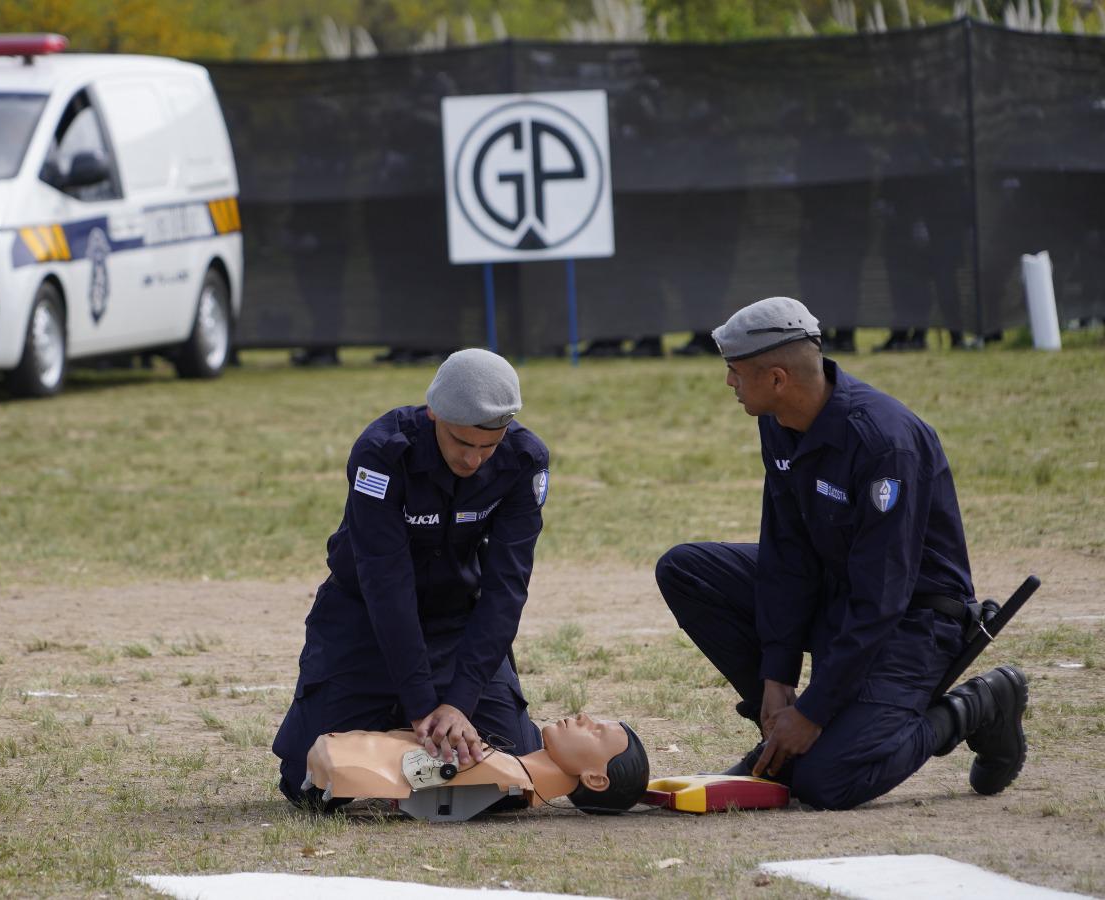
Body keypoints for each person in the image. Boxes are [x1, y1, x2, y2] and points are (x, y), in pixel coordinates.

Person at [654, 296, 1028, 811]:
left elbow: (882, 597)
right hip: (842, 594)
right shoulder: (777, 421)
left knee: (826, 785)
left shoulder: (883, 443)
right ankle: (784, 734)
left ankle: (977, 706)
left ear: (778, 378)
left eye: (735, 371)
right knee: (687, 571)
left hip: (913, 622)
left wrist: (817, 707)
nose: (729, 383)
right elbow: (787, 552)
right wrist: (777, 675)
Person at [272, 349, 550, 808]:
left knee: (513, 771)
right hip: (364, 616)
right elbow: (385, 584)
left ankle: (399, 727)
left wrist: (459, 701)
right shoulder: (383, 453)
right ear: (434, 412)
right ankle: (400, 717)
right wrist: (422, 704)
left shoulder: (525, 462)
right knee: (309, 785)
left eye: (489, 446)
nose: (474, 459)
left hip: (454, 622)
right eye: (463, 442)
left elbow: (506, 588)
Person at [302, 714, 649, 820]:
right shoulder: (501, 763)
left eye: (597, 731)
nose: (584, 718)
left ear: (595, 779)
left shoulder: (497, 770)